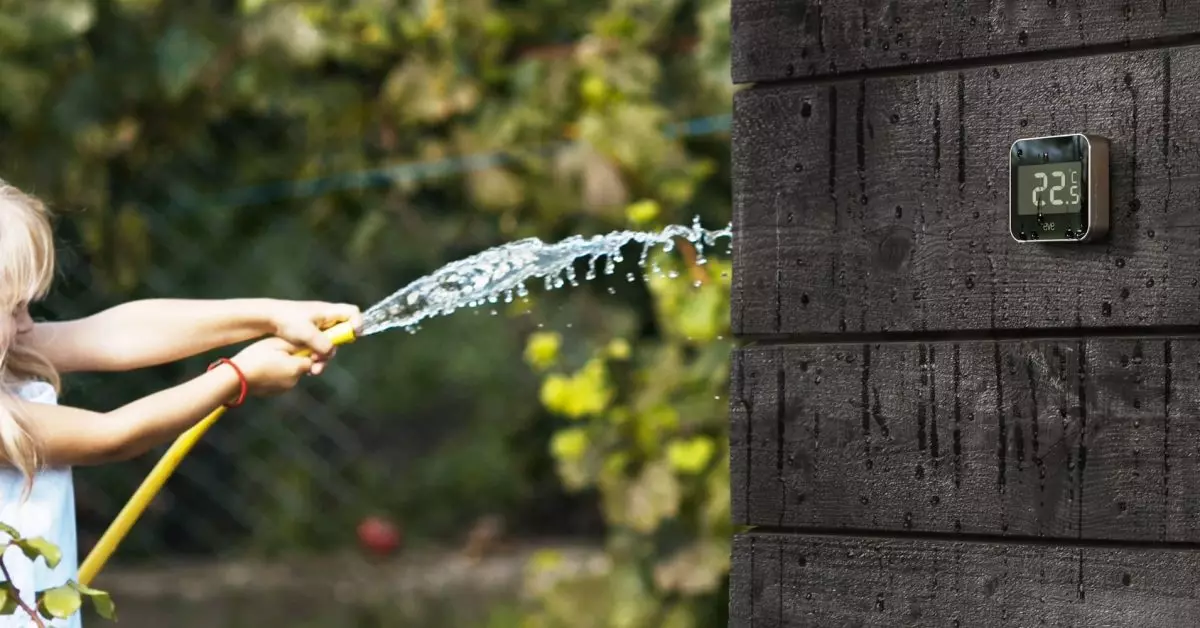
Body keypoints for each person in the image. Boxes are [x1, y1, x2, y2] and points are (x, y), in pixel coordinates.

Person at [0, 183, 360, 627]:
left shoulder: (10, 354)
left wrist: (271, 314)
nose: (27, 325)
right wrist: (236, 377)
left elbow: (115, 334)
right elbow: (111, 436)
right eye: (13, 308)